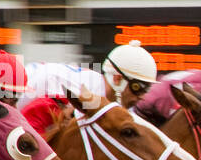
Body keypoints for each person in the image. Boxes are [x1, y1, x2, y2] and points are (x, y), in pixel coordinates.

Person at [22, 40, 157, 112]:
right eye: (138, 87)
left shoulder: (115, 100)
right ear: (117, 79)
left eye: (147, 89)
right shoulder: (83, 92)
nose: (142, 96)